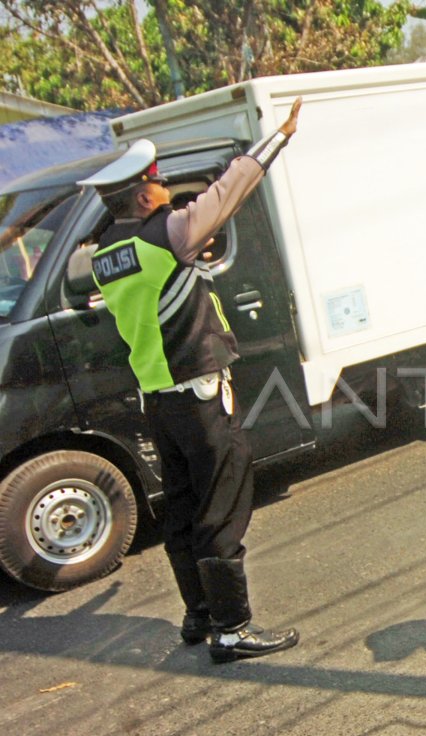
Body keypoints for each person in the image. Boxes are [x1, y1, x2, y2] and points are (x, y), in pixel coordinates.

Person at [78, 99, 305, 664]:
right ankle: (232, 628)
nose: (165, 191)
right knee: (221, 507)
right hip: (199, 392)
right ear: (140, 193)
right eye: (157, 185)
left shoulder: (107, 253)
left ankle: (198, 614)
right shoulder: (167, 233)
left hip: (157, 397)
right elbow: (229, 192)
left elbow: (155, 296)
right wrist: (278, 136)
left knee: (181, 509)